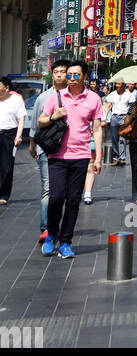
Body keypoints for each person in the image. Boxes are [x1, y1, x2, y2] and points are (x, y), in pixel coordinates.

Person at [39, 60, 103, 259]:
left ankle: (66, 241)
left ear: (84, 76)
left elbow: (98, 129)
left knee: (73, 201)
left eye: (76, 75)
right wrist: (54, 116)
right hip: (57, 156)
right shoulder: (57, 96)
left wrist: (98, 157)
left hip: (81, 156)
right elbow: (41, 120)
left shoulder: (93, 99)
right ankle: (51, 234)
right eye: (69, 75)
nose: (72, 78)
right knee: (56, 196)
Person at [30, 61, 68, 241]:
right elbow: (35, 125)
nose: (60, 75)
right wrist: (32, 145)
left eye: (63, 72)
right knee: (47, 189)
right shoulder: (43, 97)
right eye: (57, 72)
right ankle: (46, 228)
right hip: (47, 148)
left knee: (62, 191)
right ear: (52, 75)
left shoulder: (74, 96)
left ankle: (58, 225)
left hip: (68, 150)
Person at [0, 75, 26, 204]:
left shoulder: (16, 99)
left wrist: (19, 135)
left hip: (9, 134)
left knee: (6, 165)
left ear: (6, 88)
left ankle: (4, 194)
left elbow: (21, 118)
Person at [103, 79, 135, 167]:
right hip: (114, 117)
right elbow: (108, 106)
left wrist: (130, 118)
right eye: (116, 84)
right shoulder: (112, 94)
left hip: (124, 117)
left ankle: (122, 158)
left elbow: (132, 107)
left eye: (119, 84)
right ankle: (116, 158)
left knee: (122, 139)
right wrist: (104, 117)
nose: (117, 85)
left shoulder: (129, 95)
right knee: (114, 139)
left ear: (123, 85)